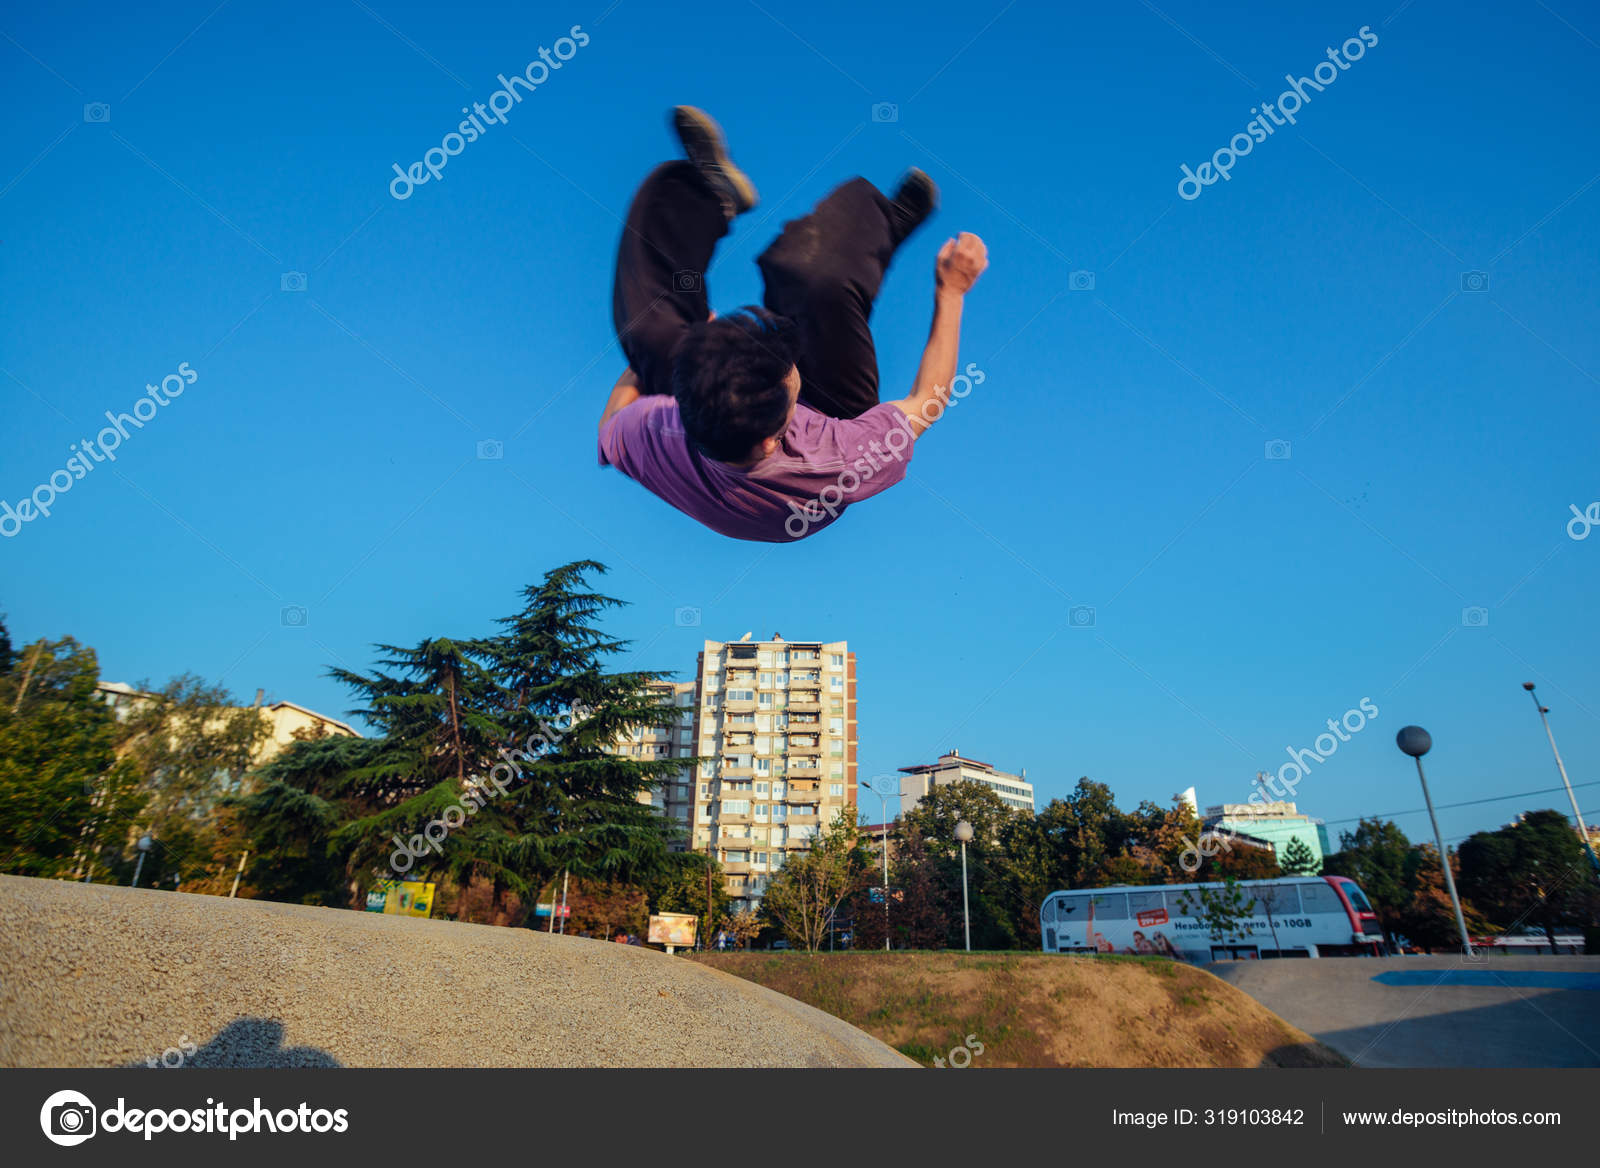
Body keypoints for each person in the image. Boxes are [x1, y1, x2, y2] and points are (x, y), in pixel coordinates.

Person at [599, 107, 989, 542]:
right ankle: (879, 229)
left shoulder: (660, 431)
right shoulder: (839, 459)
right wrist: (952, 291)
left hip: (715, 423)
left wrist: (669, 357)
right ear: (771, 440)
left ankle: (712, 191)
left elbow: (610, 426)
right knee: (813, 277)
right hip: (833, 412)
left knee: (647, 333)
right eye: (787, 367)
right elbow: (927, 400)